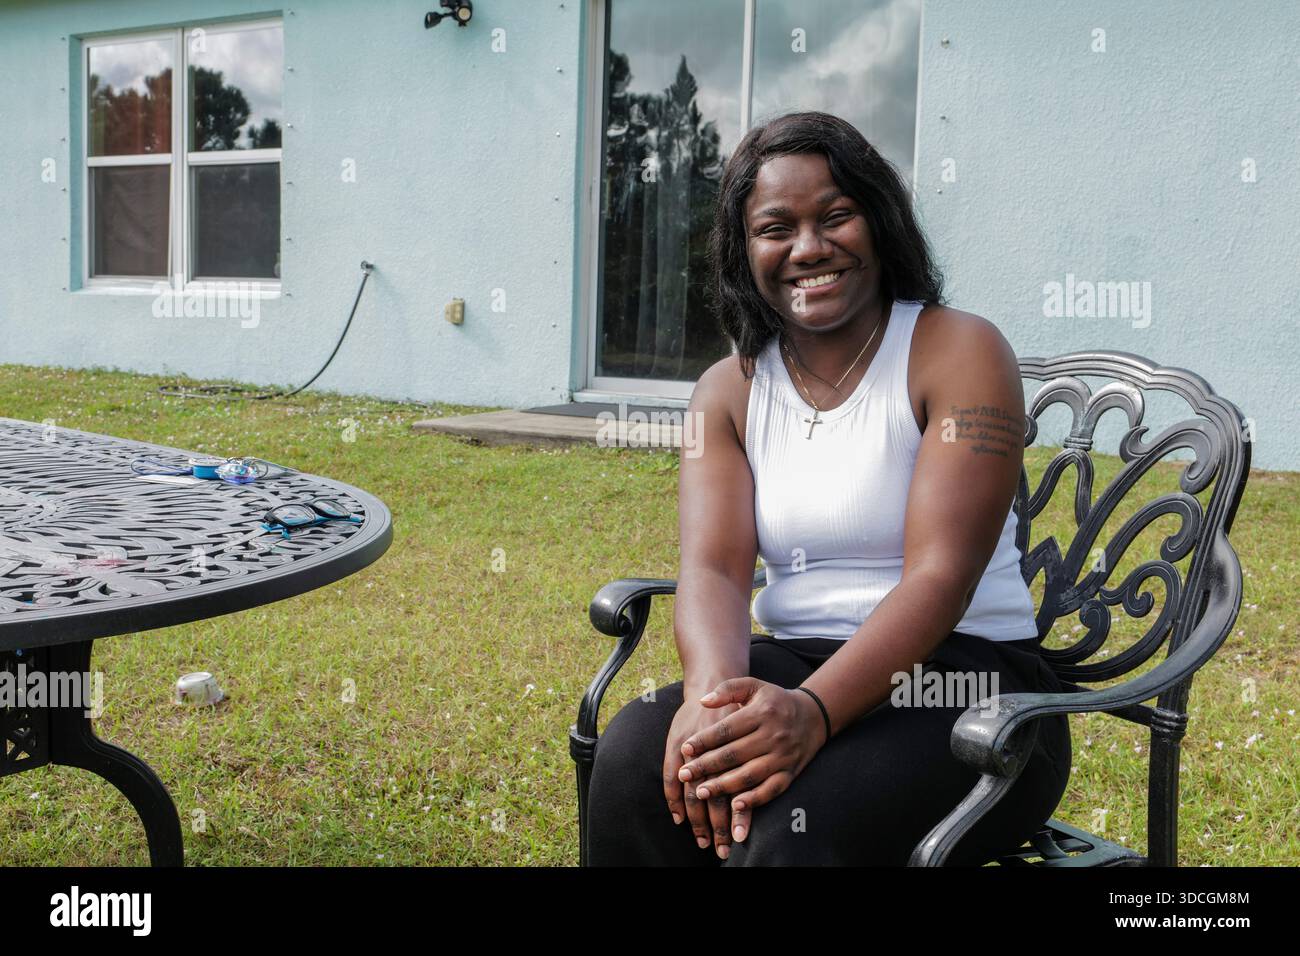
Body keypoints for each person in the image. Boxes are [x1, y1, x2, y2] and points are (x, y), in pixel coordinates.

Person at [585, 111, 1071, 866]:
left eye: (836, 216)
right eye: (776, 227)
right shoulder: (725, 391)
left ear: (878, 222)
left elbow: (942, 575)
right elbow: (712, 568)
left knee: (795, 832)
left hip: (966, 689)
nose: (809, 248)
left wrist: (811, 713)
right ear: (744, 250)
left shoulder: (959, 350)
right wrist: (711, 701)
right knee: (633, 764)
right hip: (792, 659)